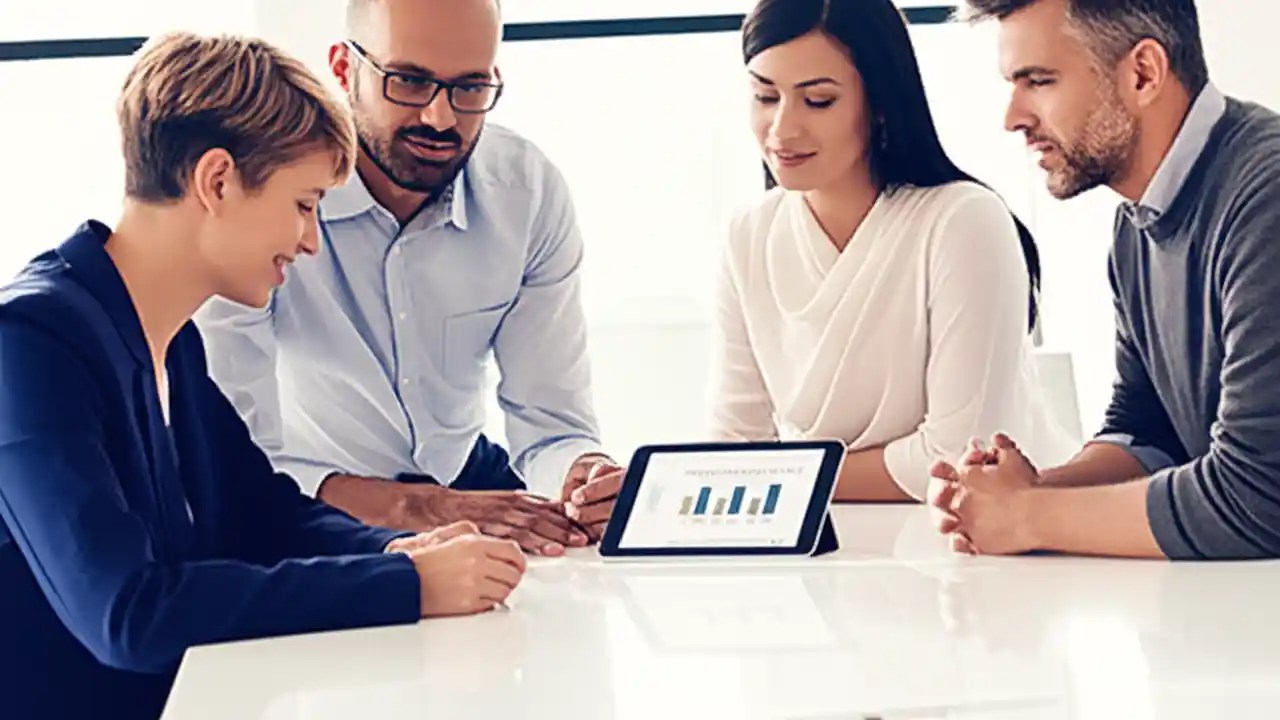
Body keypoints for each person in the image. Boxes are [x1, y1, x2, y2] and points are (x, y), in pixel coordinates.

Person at [0, 33, 525, 719]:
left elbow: (259, 512)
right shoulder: (30, 346)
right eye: (304, 204)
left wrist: (402, 547)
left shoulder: (170, 340)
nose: (310, 241)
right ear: (217, 181)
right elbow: (127, 615)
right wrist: (404, 584)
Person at [195, 0, 623, 556]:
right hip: (312, 494)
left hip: (466, 484)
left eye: (470, 88)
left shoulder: (528, 193)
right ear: (345, 71)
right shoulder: (268, 198)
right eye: (410, 82)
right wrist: (414, 508)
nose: (440, 119)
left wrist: (583, 476)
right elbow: (234, 460)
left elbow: (552, 426)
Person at [928, 0, 1280, 560]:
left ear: (1143, 73)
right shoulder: (1136, 223)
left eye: (1038, 81)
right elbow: (1150, 434)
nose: (1012, 117)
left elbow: (1260, 497)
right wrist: (1028, 491)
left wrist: (1027, 517)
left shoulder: (1267, 196)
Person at [705, 0, 1075, 502]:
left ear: (879, 102)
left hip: (1001, 541)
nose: (782, 129)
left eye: (818, 101)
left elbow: (957, 457)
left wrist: (778, 477)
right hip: (840, 546)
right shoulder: (748, 235)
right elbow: (734, 447)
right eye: (765, 96)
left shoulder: (962, 221)